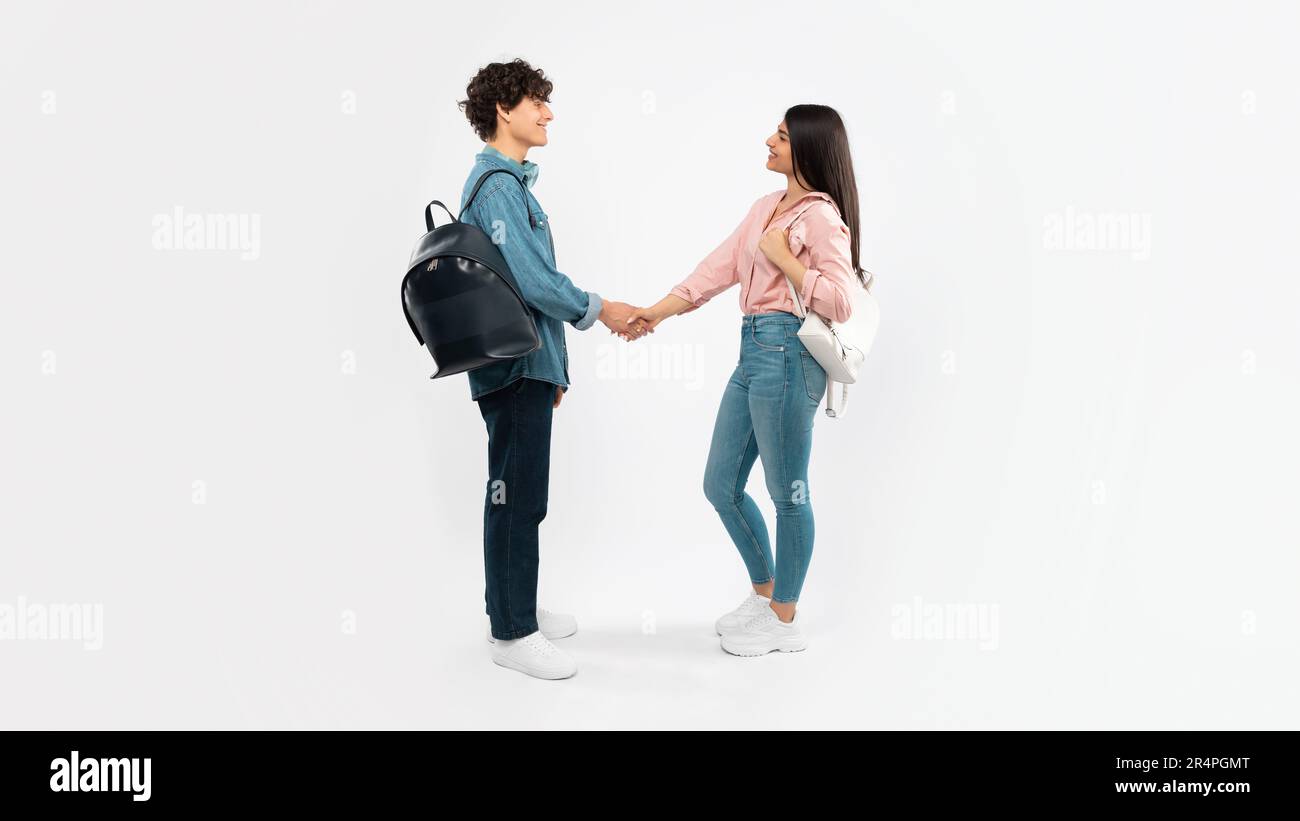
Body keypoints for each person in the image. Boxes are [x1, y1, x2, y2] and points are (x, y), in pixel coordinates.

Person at [629, 104, 869, 656]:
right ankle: (765, 596)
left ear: (806, 148)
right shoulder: (766, 206)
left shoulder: (821, 218)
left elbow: (841, 301)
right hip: (753, 349)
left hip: (788, 354)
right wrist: (656, 312)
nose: (769, 140)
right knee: (720, 484)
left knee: (788, 491)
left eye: (781, 136)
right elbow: (716, 269)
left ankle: (784, 621)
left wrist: (786, 258)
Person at [456, 59, 647, 679]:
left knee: (515, 491)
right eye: (536, 101)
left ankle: (511, 605)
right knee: (517, 496)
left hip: (521, 366)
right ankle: (512, 634)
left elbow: (515, 287)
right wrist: (602, 309)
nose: (548, 112)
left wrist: (553, 368)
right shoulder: (501, 188)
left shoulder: (505, 185)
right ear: (504, 110)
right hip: (513, 368)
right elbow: (535, 283)